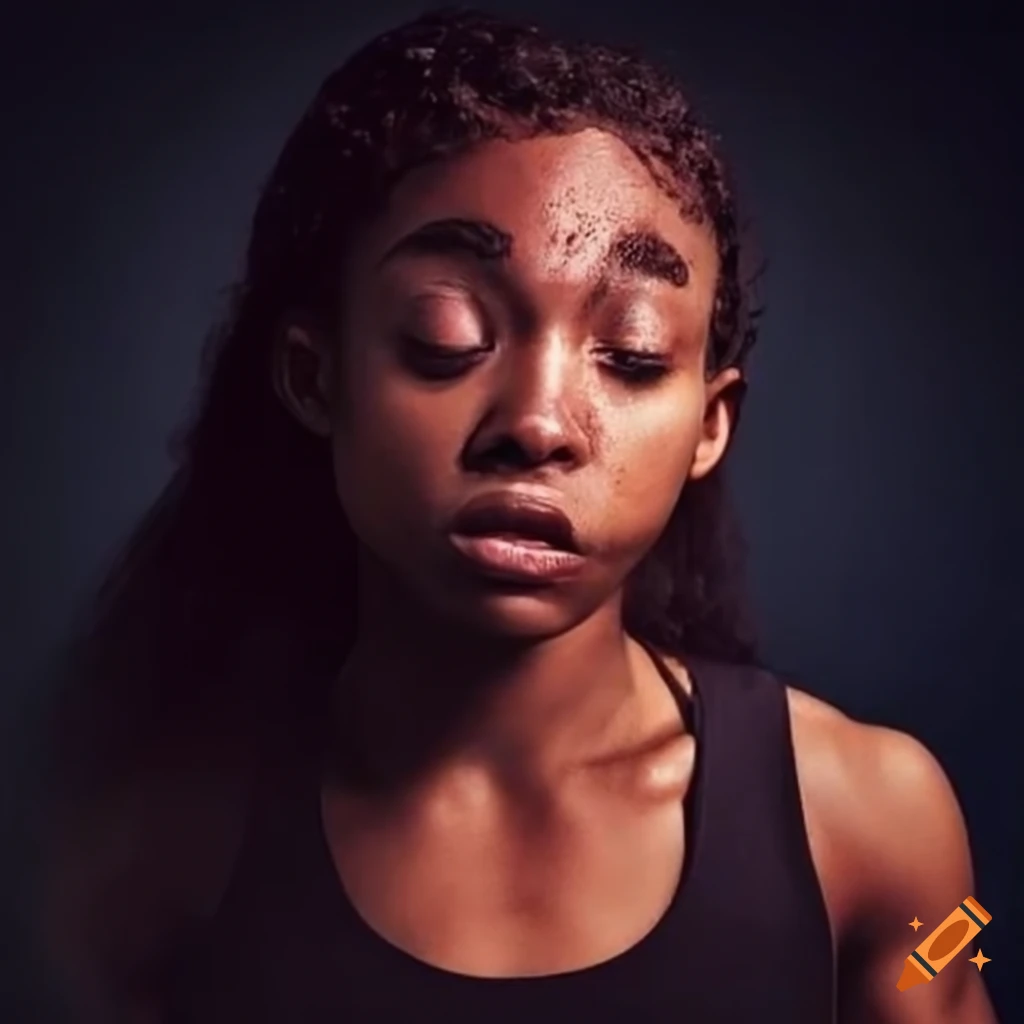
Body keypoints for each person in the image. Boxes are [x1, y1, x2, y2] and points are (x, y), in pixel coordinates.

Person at [41, 8, 997, 1023]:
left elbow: (956, 948)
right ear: (315, 379)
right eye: (443, 333)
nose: (538, 424)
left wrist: (958, 922)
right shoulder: (160, 848)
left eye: (629, 355)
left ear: (710, 425)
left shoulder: (877, 822)